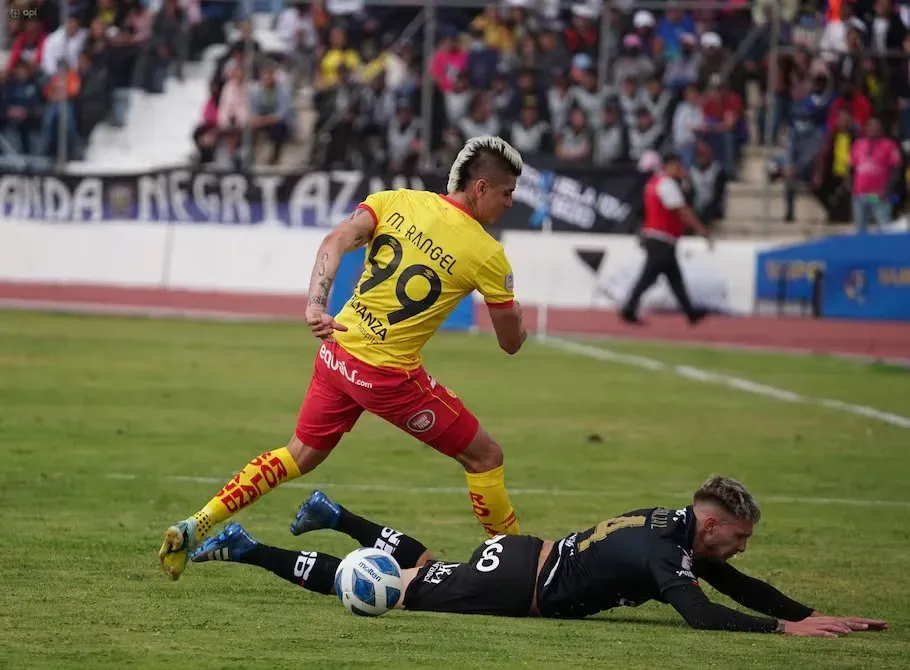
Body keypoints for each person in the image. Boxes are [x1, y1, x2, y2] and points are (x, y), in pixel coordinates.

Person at [159, 136, 529, 581]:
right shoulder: (487, 253)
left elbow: (334, 241)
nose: (509, 203)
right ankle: (515, 570)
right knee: (484, 457)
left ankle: (196, 523)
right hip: (388, 377)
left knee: (297, 454)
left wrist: (317, 303)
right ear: (482, 188)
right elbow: (511, 343)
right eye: (507, 193)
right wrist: (515, 311)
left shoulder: (396, 200)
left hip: (336, 352)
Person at [190, 475, 887, 637]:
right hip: (522, 583)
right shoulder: (663, 551)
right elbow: (703, 615)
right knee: (388, 590)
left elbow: (741, 584)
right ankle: (251, 549)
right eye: (737, 534)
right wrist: (784, 630)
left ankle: (334, 515)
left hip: (524, 557)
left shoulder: (672, 528)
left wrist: (813, 614)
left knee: (425, 567)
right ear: (710, 524)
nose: (739, 546)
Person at [620, 151, 712, 325]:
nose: (680, 170)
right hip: (662, 237)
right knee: (648, 276)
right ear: (669, 166)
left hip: (657, 236)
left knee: (674, 278)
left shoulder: (654, 183)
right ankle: (628, 307)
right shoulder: (667, 184)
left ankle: (690, 312)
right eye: (678, 166)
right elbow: (681, 210)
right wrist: (701, 229)